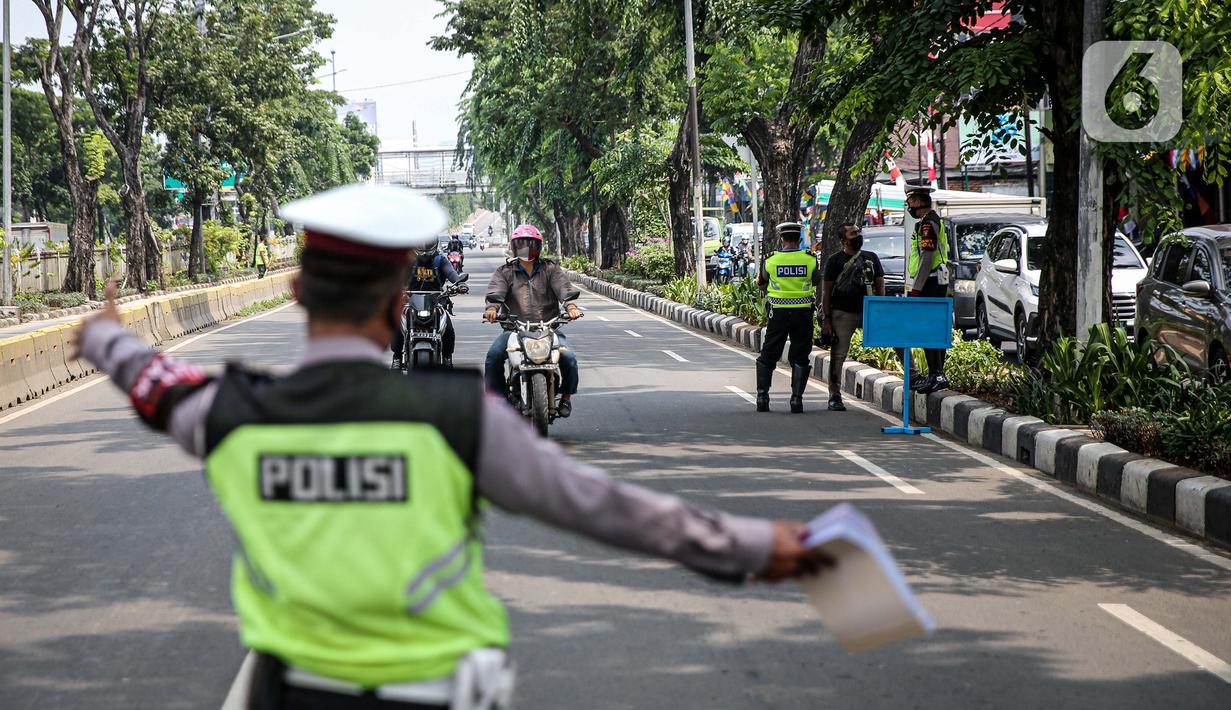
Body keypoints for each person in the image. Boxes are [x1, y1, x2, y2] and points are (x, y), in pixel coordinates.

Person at [73, 184, 825, 710]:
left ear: (297, 293)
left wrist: (105, 336)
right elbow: (607, 508)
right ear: (399, 301)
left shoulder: (232, 414)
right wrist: (753, 545)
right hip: (440, 691)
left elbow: (153, 381)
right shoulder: (460, 418)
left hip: (293, 693)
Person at [483, 224, 582, 418]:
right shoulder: (505, 271)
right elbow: (496, 291)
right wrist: (492, 309)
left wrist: (571, 307)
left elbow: (564, 288)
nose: (526, 248)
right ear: (514, 247)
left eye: (530, 244)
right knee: (493, 358)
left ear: (538, 247)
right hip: (515, 329)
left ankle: (566, 398)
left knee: (570, 359)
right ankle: (500, 399)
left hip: (549, 328)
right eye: (521, 244)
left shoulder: (550, 269)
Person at [755, 222, 822, 413]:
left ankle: (762, 397)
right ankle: (796, 400)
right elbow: (816, 280)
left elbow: (761, 282)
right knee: (800, 355)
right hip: (803, 313)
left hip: (778, 313)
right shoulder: (810, 259)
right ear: (799, 239)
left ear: (781, 239)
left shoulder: (771, 260)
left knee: (769, 353)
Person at [821, 224, 885, 411]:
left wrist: (880, 310)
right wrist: (827, 319)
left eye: (858, 232)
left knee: (896, 338)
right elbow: (826, 291)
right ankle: (834, 396)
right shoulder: (834, 260)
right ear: (843, 240)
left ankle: (912, 375)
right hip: (843, 313)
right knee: (838, 355)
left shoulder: (871, 257)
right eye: (853, 233)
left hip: (869, 312)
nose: (858, 235)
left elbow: (880, 285)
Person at [391, 238, 467, 369]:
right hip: (410, 302)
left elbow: (451, 273)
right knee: (397, 327)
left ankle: (447, 357)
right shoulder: (408, 260)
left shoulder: (440, 260)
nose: (424, 248)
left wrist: (460, 284)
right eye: (421, 244)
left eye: (428, 244)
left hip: (436, 302)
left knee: (448, 330)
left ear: (435, 243)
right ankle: (397, 357)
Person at [903, 185, 950, 394]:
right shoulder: (928, 221)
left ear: (920, 202)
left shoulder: (928, 224)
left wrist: (916, 288)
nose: (909, 206)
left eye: (911, 201)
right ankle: (935, 373)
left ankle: (936, 374)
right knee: (933, 328)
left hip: (930, 282)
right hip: (932, 281)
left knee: (928, 329)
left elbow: (927, 258)